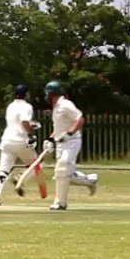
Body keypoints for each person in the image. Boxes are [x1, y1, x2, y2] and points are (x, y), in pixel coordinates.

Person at [0, 85, 46, 205]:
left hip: (7, 140)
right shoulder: (27, 106)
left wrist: (32, 125)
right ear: (26, 94)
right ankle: (20, 177)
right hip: (20, 140)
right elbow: (24, 122)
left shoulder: (11, 106)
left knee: (3, 170)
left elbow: (17, 122)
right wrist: (31, 133)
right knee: (37, 164)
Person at [44, 80, 98, 211]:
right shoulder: (56, 107)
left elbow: (80, 119)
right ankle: (89, 181)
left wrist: (69, 133)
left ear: (51, 94)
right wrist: (50, 140)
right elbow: (58, 127)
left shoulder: (66, 104)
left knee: (62, 168)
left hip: (72, 141)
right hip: (60, 143)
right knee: (62, 174)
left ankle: (60, 203)